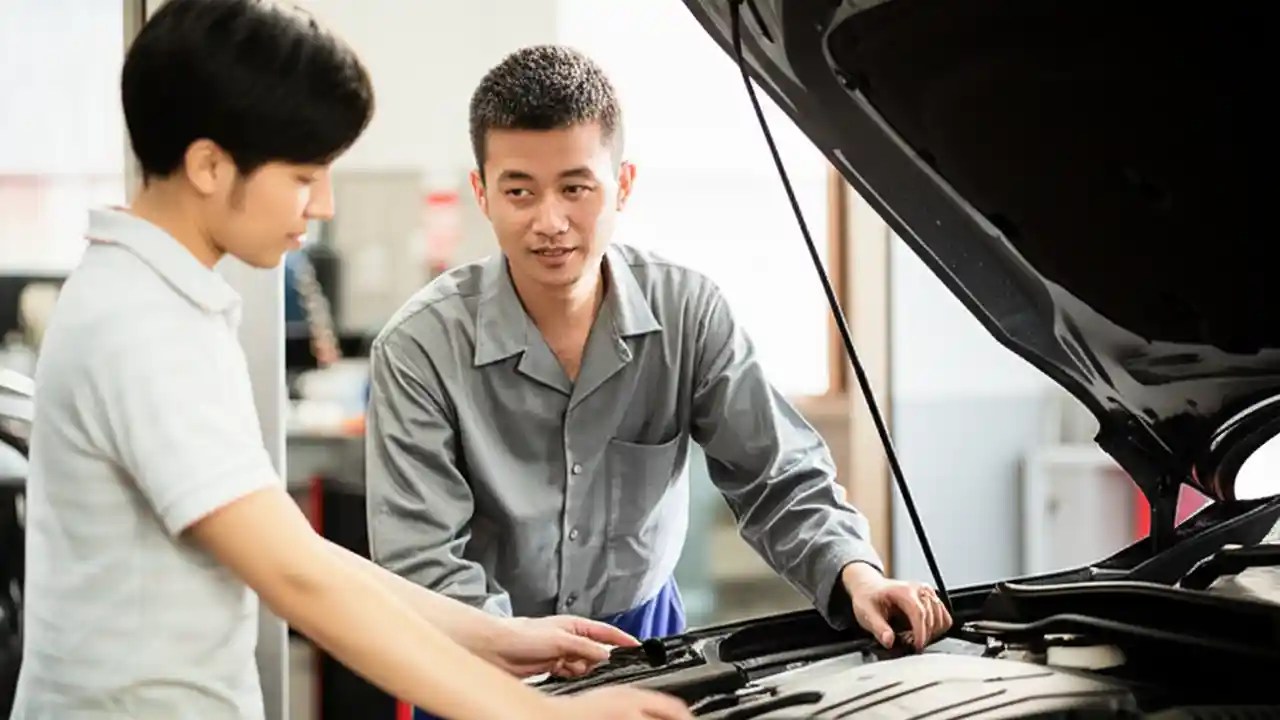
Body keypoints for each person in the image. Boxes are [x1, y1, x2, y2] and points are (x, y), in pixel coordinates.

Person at [10, 4, 691, 719]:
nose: (326, 204)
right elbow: (295, 578)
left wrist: (491, 635)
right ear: (210, 165)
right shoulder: (140, 325)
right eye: (306, 176)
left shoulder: (156, 299)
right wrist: (542, 714)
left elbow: (287, 543)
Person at [364, 44, 953, 672]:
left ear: (621, 185)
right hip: (475, 661)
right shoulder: (418, 349)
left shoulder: (688, 314)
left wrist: (856, 573)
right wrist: (518, 655)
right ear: (482, 192)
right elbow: (419, 562)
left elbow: (777, 474)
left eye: (575, 187)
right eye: (520, 191)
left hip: (645, 648)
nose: (550, 220)